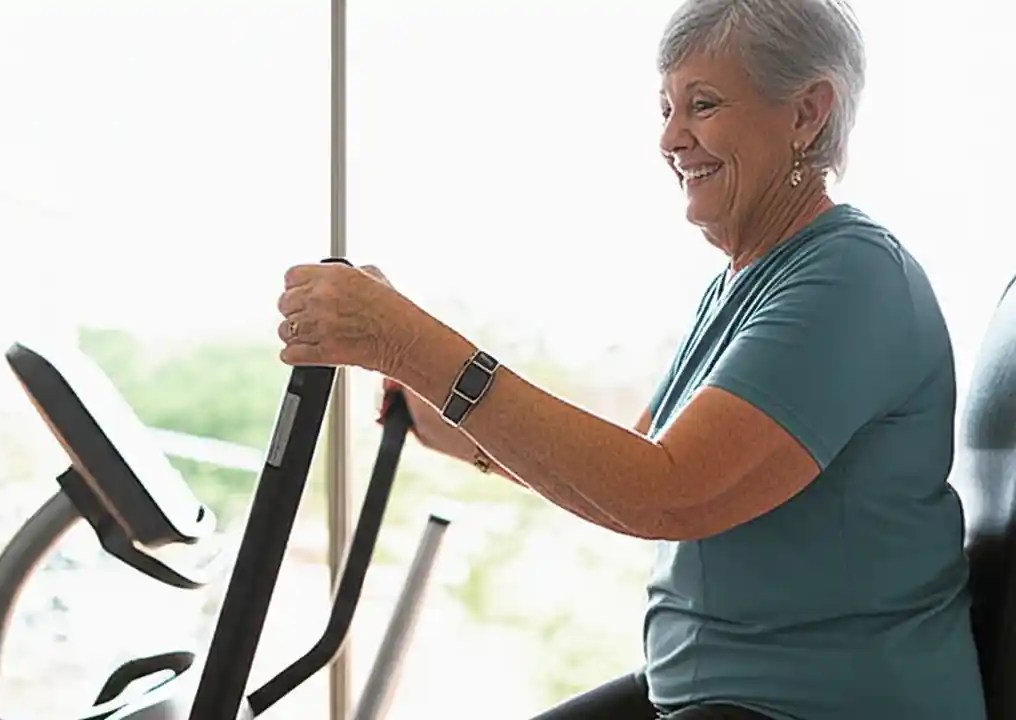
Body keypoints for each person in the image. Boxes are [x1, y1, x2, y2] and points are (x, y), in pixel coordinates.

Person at [273, 0, 987, 718]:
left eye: (702, 105)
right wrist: (441, 408)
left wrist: (413, 343)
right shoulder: (743, 283)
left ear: (807, 113)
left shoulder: (851, 279)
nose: (672, 139)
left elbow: (661, 493)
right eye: (667, 108)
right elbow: (626, 460)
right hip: (716, 694)